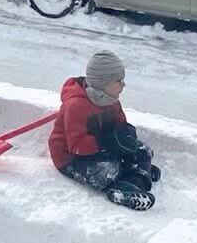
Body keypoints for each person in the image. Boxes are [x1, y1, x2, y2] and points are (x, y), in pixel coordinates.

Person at [47, 50, 160, 211]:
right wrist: (109, 141)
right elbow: (77, 146)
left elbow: (121, 122)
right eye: (118, 81)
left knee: (143, 151)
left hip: (102, 148)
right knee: (108, 169)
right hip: (71, 158)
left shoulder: (112, 101)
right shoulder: (76, 106)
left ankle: (137, 176)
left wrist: (126, 135)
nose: (123, 85)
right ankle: (120, 189)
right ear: (103, 83)